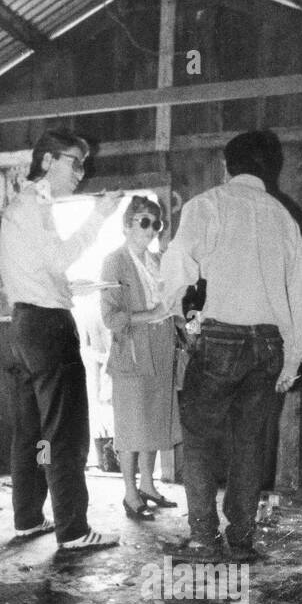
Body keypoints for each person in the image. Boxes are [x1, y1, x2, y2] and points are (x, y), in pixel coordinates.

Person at [160, 130, 302, 562]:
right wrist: (292, 360)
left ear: (226, 167)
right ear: (270, 170)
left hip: (221, 337)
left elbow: (178, 263)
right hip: (268, 346)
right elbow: (300, 299)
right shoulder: (285, 219)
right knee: (250, 441)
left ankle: (204, 538)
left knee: (200, 437)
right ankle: (241, 541)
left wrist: (173, 311)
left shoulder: (207, 205)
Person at [0, 128, 123, 552]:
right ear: (48, 160)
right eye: (75, 162)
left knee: (31, 431)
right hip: (47, 329)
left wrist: (73, 290)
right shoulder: (35, 206)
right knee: (64, 432)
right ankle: (73, 530)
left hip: (22, 326)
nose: (81, 173)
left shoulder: (23, 205)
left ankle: (29, 518)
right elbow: (60, 258)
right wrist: (99, 217)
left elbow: (39, 273)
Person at [99, 196, 181, 521]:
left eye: (155, 223)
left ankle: (148, 485)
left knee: (155, 421)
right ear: (126, 225)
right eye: (143, 222)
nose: (150, 229)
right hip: (132, 352)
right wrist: (152, 315)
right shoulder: (114, 262)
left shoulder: (157, 260)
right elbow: (110, 316)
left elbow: (170, 303)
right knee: (132, 426)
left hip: (161, 350)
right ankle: (130, 495)